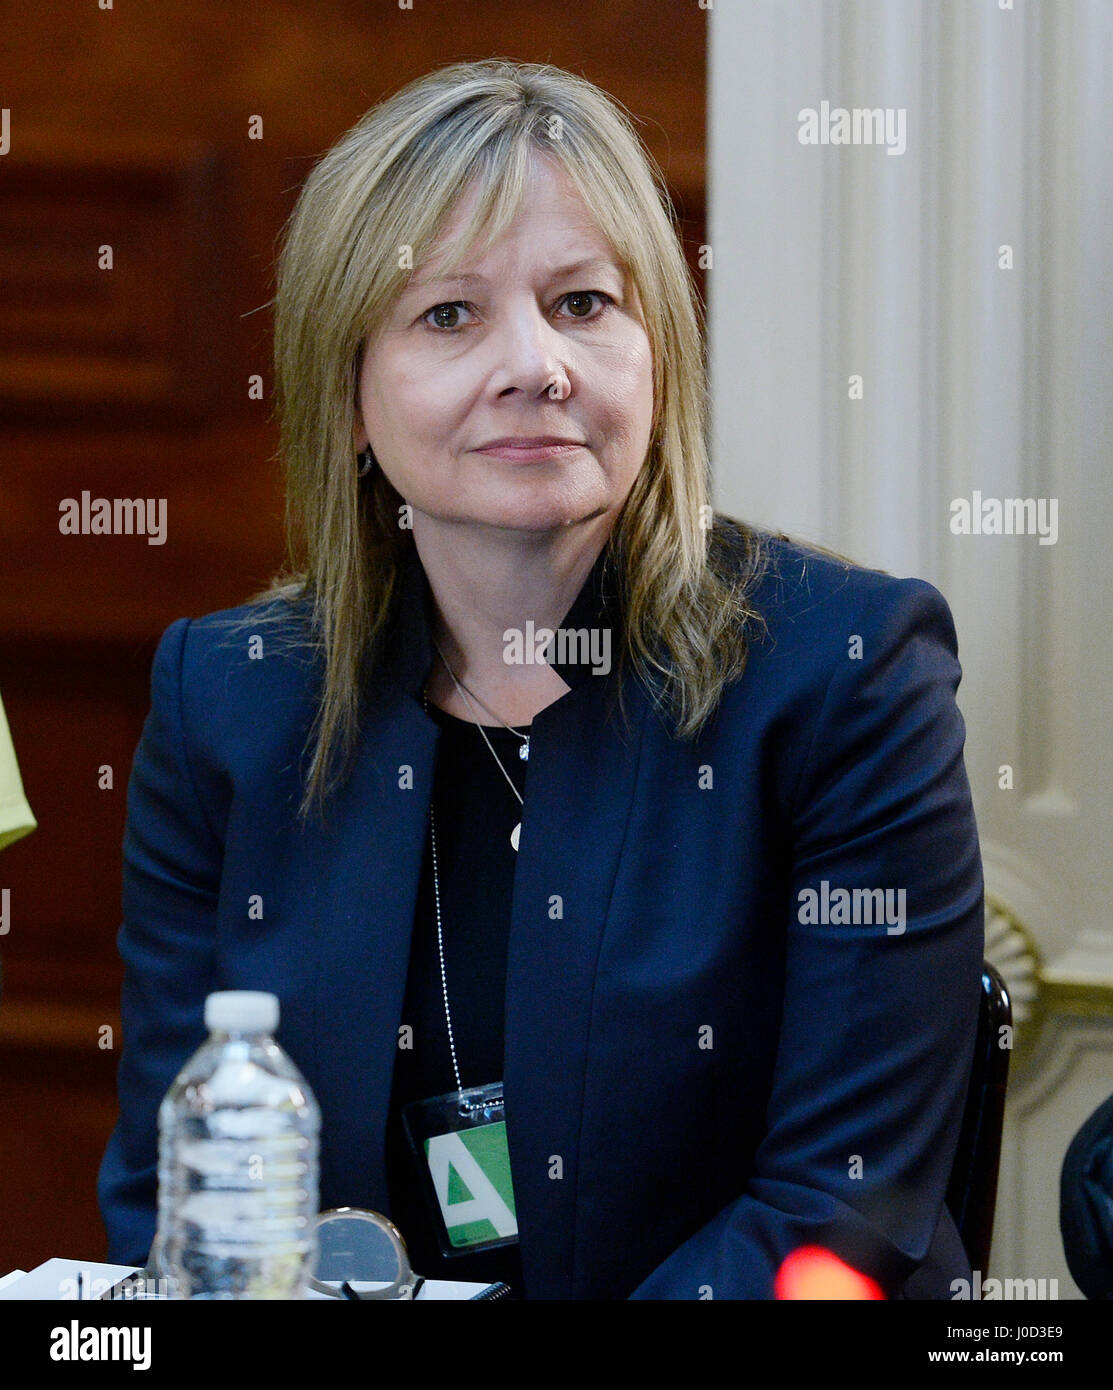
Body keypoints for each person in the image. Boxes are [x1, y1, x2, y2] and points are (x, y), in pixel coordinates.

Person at [97, 59, 985, 1299]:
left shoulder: (844, 674)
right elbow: (170, 1191)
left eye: (582, 303)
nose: (538, 365)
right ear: (348, 395)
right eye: (449, 315)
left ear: (657, 352)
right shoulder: (230, 700)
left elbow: (839, 1208)